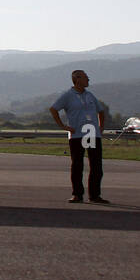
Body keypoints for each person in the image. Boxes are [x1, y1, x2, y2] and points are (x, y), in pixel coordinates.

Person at [49, 70, 109, 204]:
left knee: (96, 166)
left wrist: (101, 127)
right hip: (76, 135)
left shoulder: (90, 95)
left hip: (92, 133)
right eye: (85, 77)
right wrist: (63, 126)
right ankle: (77, 194)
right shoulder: (68, 95)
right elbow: (53, 109)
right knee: (77, 165)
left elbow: (101, 111)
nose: (88, 79)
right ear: (77, 79)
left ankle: (95, 195)